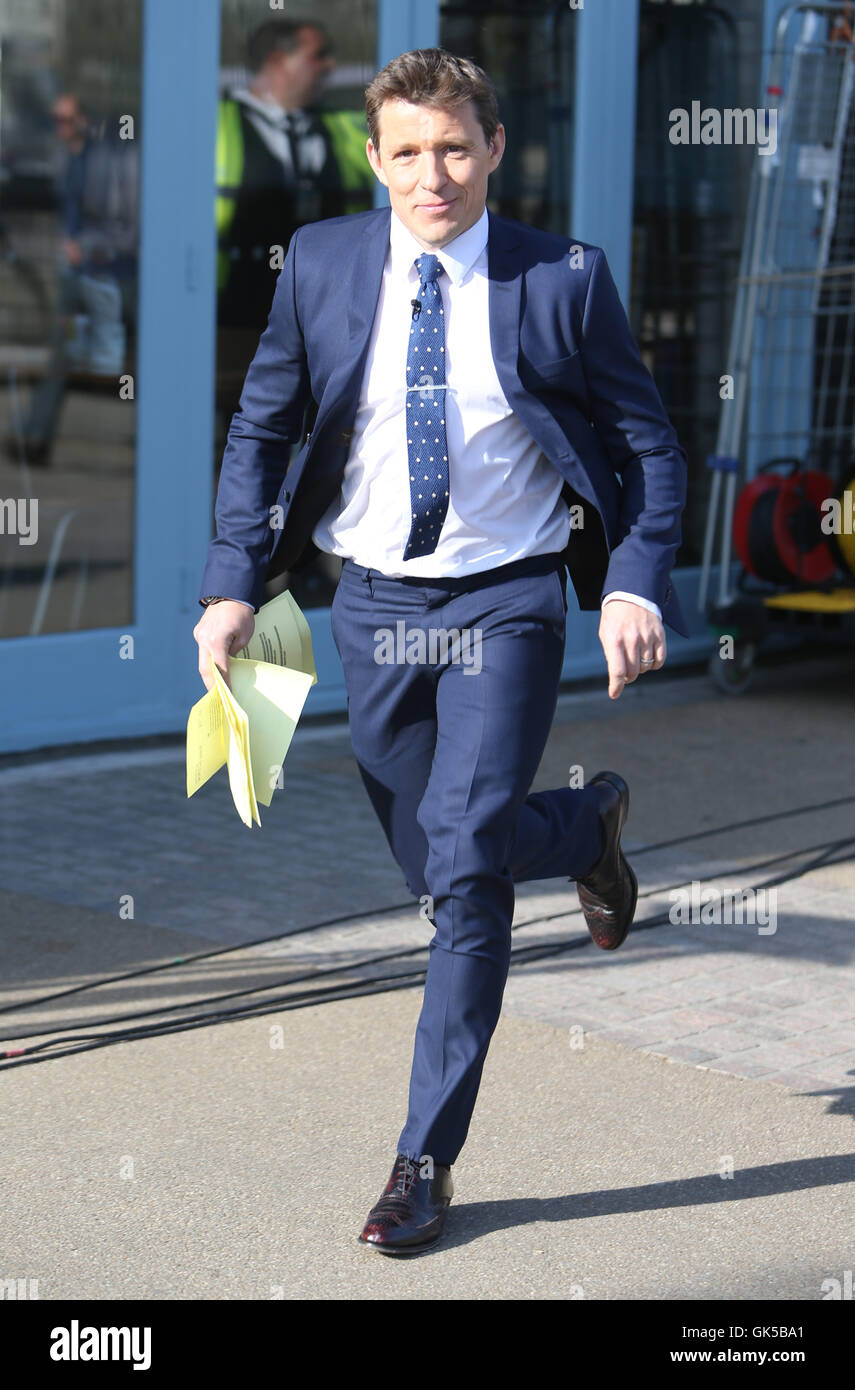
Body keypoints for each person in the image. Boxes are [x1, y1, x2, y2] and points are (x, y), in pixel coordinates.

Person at [194, 48, 688, 1256]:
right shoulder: (322, 261)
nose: (433, 175)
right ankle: (584, 829)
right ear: (376, 159)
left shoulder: (563, 278)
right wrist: (229, 586)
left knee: (465, 880)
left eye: (455, 148)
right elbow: (263, 426)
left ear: (497, 149)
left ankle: (424, 1159)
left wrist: (631, 582)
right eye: (408, 152)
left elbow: (652, 448)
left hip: (508, 600)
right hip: (372, 605)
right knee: (437, 857)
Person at [10, 91, 138, 465]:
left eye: (65, 120)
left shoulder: (114, 159)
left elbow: (129, 227)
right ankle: (35, 437)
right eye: (55, 120)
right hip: (80, 280)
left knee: (143, 359)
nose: (59, 128)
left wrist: (86, 245)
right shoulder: (65, 159)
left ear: (83, 119)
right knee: (61, 355)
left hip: (119, 280)